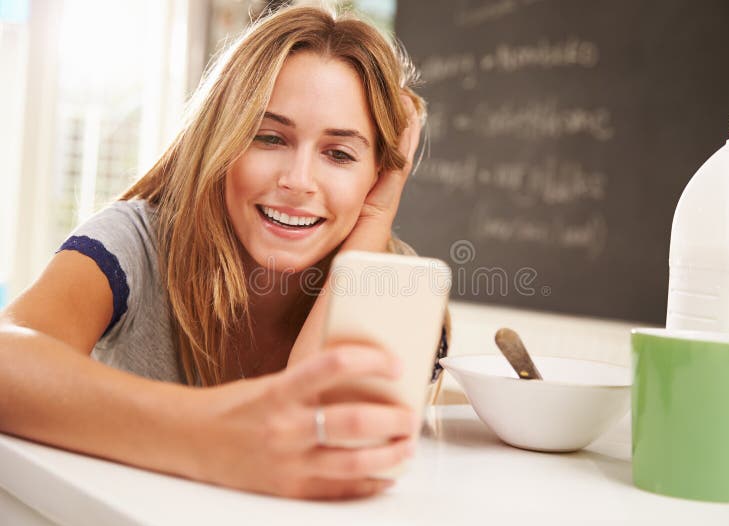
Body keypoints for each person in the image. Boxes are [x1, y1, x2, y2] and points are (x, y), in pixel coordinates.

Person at [0, 4, 449, 500]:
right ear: (223, 139)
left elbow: (318, 436)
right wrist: (210, 435)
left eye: (339, 154)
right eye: (269, 137)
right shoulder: (138, 242)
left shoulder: (396, 281)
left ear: (379, 175)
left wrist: (374, 219)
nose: (298, 181)